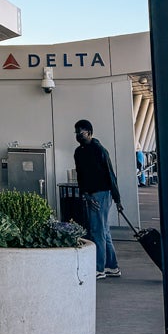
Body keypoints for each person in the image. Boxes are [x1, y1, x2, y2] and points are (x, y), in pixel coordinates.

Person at [72, 119, 121, 279]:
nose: (78, 135)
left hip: (102, 193)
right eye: (77, 132)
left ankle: (99, 268)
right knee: (103, 231)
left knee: (97, 231)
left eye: (81, 132)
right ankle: (111, 266)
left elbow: (110, 174)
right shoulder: (79, 152)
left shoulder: (99, 150)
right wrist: (85, 194)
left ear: (90, 133)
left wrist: (117, 199)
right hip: (93, 194)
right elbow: (80, 175)